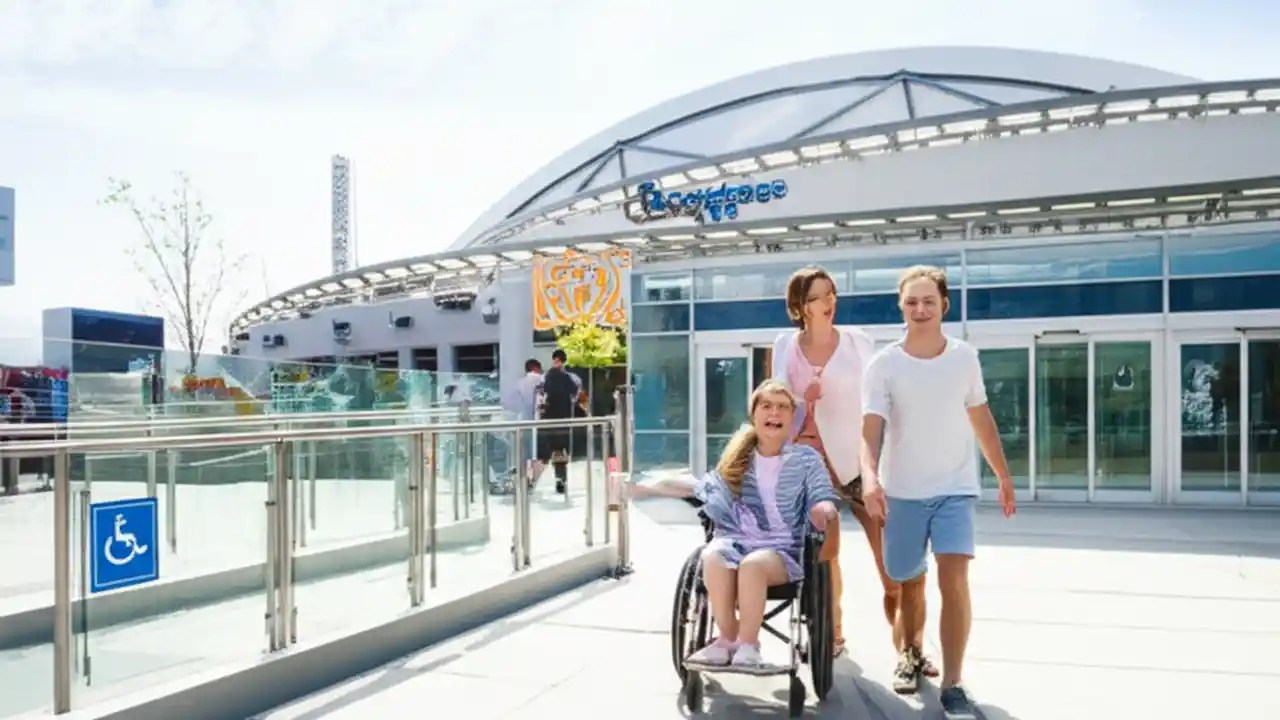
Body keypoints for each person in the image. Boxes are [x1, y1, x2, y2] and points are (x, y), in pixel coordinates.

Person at [860, 265, 1017, 718]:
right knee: (907, 580)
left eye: (929, 301)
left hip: (955, 487)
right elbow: (870, 430)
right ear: (901, 306)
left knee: (955, 580)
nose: (920, 309)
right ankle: (908, 653)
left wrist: (1003, 475)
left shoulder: (964, 357)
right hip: (904, 491)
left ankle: (953, 681)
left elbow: (981, 418)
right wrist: (869, 478)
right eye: (912, 302)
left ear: (943, 305)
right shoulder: (884, 365)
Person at [771, 266, 936, 671]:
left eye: (831, 294)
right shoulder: (784, 346)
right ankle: (834, 634)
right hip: (812, 467)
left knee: (895, 569)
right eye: (818, 296)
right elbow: (775, 404)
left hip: (861, 466)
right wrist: (798, 397)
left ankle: (910, 651)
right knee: (826, 558)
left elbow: (882, 397)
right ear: (800, 307)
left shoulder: (858, 343)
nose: (828, 302)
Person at [631, 380, 840, 670]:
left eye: (782, 407)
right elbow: (702, 487)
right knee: (713, 556)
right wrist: (646, 487)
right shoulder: (738, 459)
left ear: (792, 418)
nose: (774, 413)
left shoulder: (806, 459)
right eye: (766, 406)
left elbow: (822, 494)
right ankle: (727, 640)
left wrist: (822, 509)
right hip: (736, 542)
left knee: (752, 565)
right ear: (754, 415)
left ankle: (748, 644)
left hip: (782, 550)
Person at [539, 349, 581, 494]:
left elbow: (540, 397)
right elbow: (575, 397)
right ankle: (561, 478)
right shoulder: (572, 378)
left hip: (548, 420)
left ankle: (538, 480)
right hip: (564, 418)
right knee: (562, 449)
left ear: (553, 360)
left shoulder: (545, 377)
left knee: (547, 451)